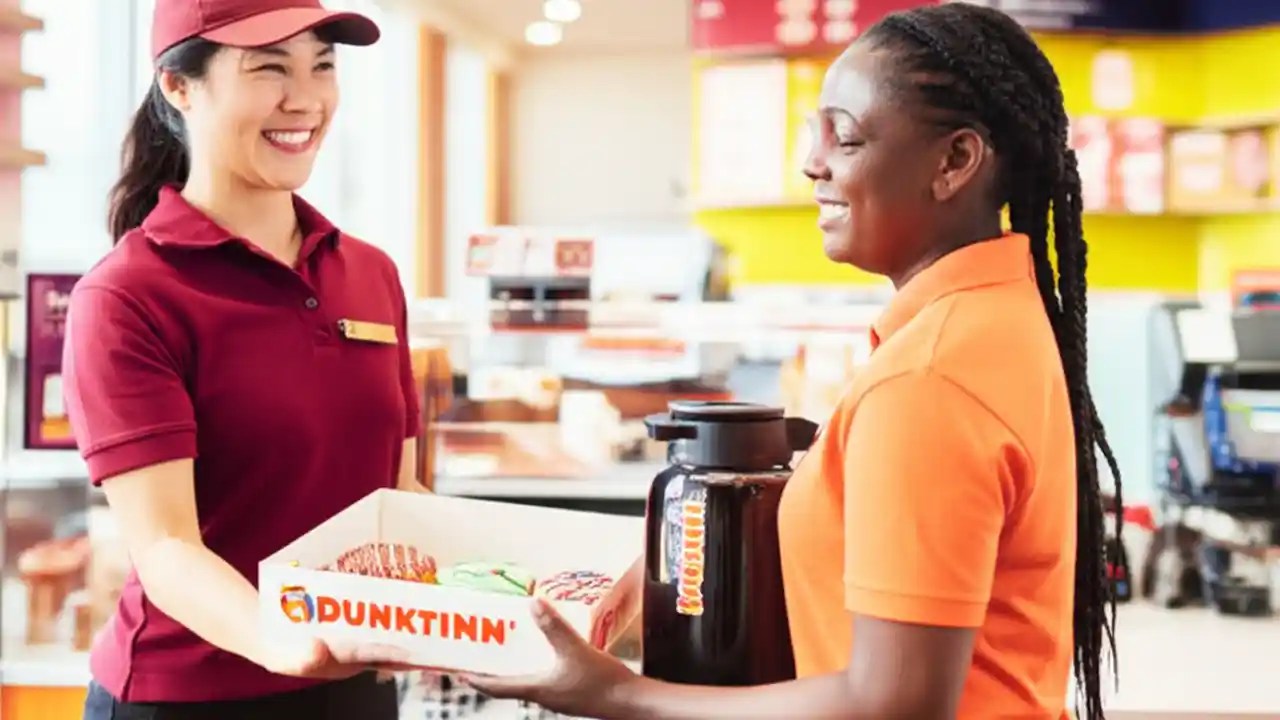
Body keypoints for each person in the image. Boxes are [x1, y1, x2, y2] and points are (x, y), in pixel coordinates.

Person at [468, 5, 1123, 720]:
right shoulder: (995, 317)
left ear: (955, 162)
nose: (812, 161)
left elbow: (891, 703)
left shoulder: (928, 378)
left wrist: (615, 693)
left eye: (845, 136)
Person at [64, 1, 423, 717]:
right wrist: (294, 642)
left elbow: (399, 499)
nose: (306, 100)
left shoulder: (372, 273)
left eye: (323, 66)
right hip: (188, 695)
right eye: (268, 69)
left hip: (353, 686)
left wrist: (492, 602)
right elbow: (167, 548)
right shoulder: (127, 296)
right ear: (180, 87)